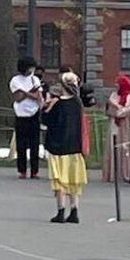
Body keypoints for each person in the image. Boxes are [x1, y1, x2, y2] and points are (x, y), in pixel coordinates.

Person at [43, 69, 88, 223]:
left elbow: (46, 121)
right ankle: (74, 210)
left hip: (58, 146)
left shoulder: (57, 103)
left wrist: (46, 106)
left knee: (59, 180)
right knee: (73, 180)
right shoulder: (77, 103)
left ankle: (61, 210)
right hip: (74, 146)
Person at [9, 56, 44, 180]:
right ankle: (22, 170)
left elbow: (38, 96)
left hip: (34, 113)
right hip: (21, 114)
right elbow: (17, 97)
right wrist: (29, 93)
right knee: (21, 144)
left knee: (35, 143)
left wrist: (26, 93)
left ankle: (34, 170)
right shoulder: (15, 80)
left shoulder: (34, 79)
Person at [104, 74, 130, 183]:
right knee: (112, 145)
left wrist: (118, 110)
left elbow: (126, 110)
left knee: (123, 145)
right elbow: (110, 109)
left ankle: (123, 172)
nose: (116, 86)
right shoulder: (113, 95)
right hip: (113, 123)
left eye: (118, 83)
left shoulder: (129, 97)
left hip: (123, 125)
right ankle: (111, 172)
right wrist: (117, 109)